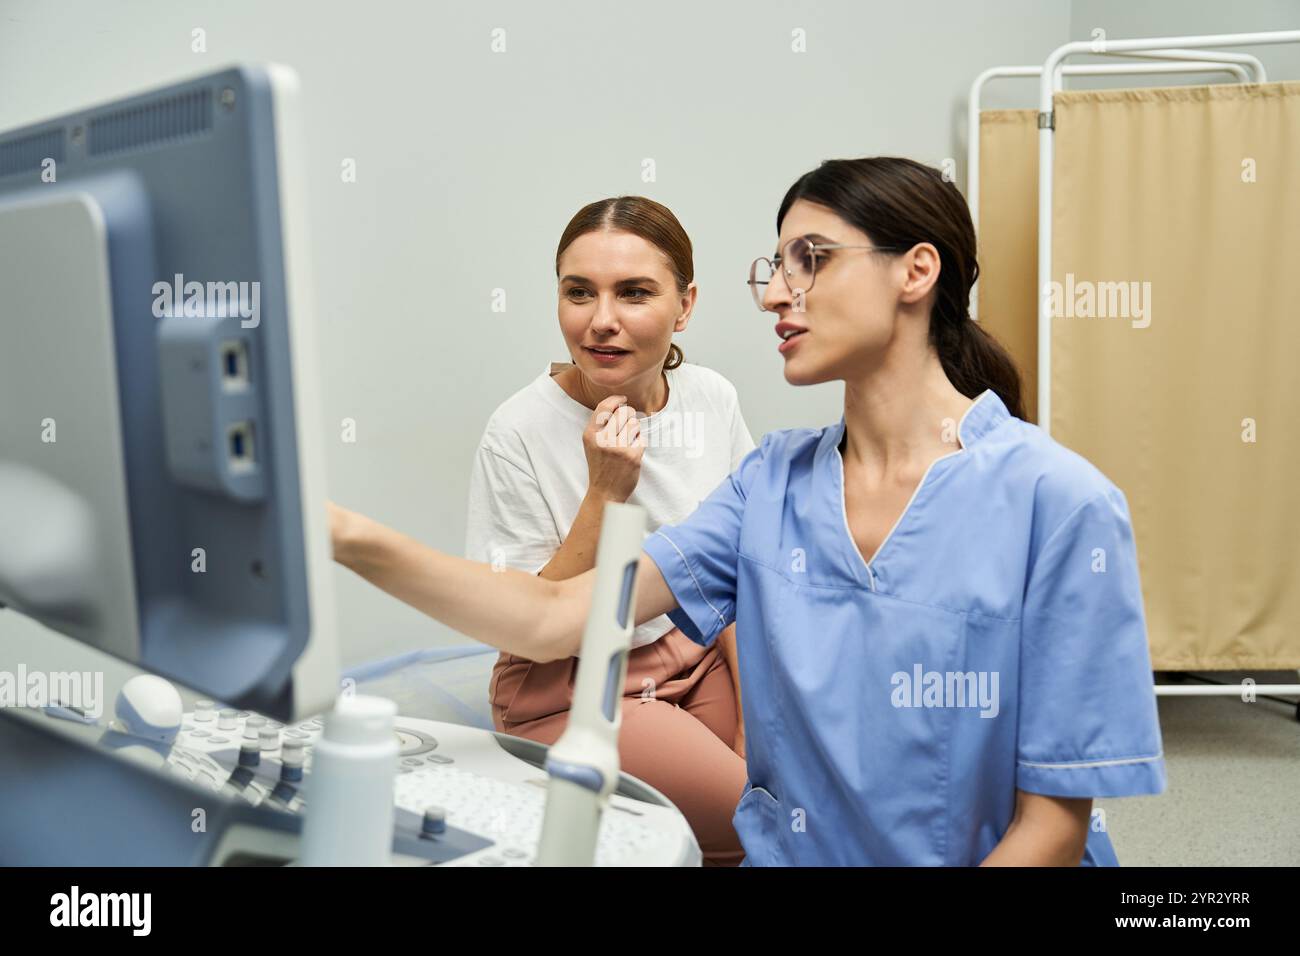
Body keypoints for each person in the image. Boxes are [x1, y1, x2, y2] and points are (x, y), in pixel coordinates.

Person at [329, 156, 1166, 865]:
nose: (775, 295)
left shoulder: (1059, 504)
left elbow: (1053, 828)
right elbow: (551, 618)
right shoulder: (771, 484)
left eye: (811, 259)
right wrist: (342, 535)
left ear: (916, 271)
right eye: (776, 266)